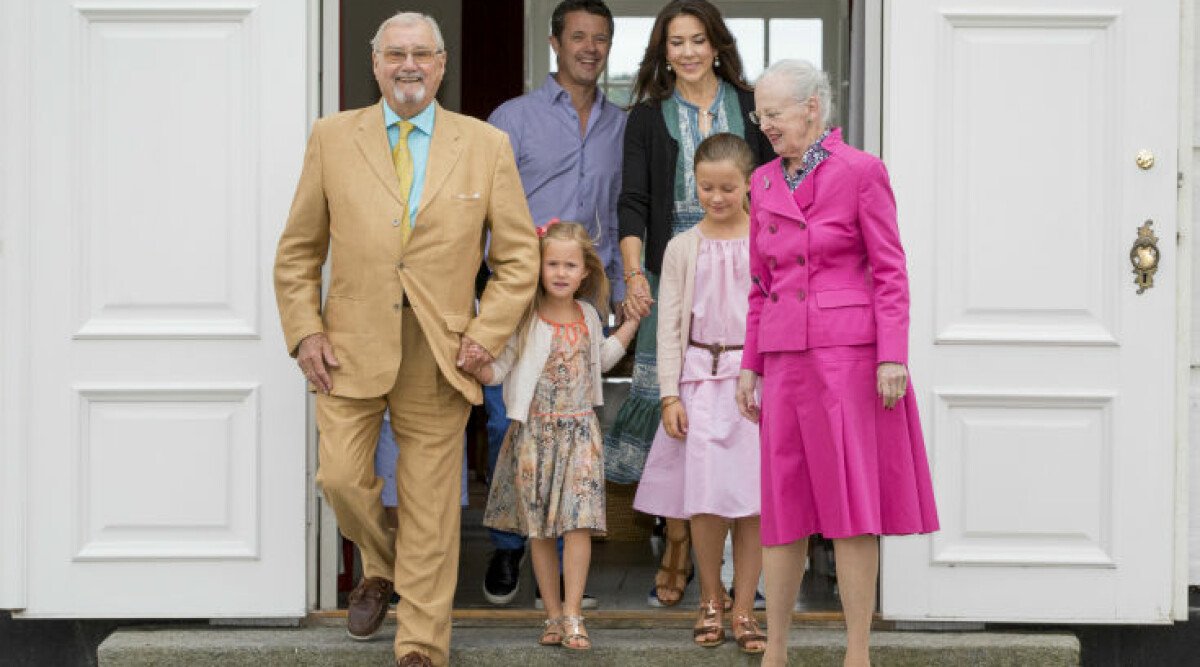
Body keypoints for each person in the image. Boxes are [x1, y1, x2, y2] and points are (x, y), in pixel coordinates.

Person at [272, 11, 539, 667]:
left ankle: (420, 642)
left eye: (422, 53)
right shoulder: (332, 137)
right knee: (340, 477)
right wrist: (305, 331)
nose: (409, 65)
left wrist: (486, 333)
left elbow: (517, 259)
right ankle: (382, 563)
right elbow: (298, 251)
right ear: (376, 63)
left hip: (443, 350)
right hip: (347, 346)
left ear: (442, 65)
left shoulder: (485, 145)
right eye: (396, 53)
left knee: (430, 504)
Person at [734, 59, 940, 667]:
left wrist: (892, 356)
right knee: (783, 507)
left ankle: (857, 653)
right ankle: (775, 651)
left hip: (847, 359)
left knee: (851, 507)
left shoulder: (861, 171)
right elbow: (760, 285)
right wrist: (750, 364)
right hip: (784, 360)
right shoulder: (761, 181)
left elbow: (890, 271)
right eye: (759, 115)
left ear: (812, 108)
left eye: (774, 113)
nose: (765, 125)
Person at [607, 0, 773, 609]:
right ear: (663, 51)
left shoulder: (751, 105)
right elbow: (632, 201)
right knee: (675, 414)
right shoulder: (648, 118)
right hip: (673, 267)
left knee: (743, 420)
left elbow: (781, 180)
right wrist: (634, 276)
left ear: (717, 44)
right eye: (675, 42)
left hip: (744, 266)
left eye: (698, 40)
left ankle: (740, 575)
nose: (688, 52)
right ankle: (677, 545)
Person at [481, 0, 624, 608]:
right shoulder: (511, 119)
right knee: (509, 422)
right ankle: (508, 545)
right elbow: (483, 207)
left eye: (601, 38)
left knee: (574, 426)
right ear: (555, 42)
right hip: (520, 294)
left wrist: (622, 297)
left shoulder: (623, 126)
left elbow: (623, 212)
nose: (590, 48)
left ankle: (565, 578)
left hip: (590, 294)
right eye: (579, 37)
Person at [470, 221, 640, 650]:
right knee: (541, 532)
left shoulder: (588, 316)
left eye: (570, 265)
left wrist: (631, 324)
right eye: (553, 264)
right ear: (538, 267)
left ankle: (574, 614)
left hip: (580, 433)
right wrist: (477, 367)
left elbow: (603, 360)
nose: (561, 273)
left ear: (585, 272)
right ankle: (552, 616)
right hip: (534, 436)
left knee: (578, 526)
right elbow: (500, 369)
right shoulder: (525, 317)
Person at [633, 133, 764, 652]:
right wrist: (670, 395)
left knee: (753, 502)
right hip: (700, 382)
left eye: (728, 187)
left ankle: (746, 606)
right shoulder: (682, 246)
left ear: (749, 183)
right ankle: (710, 598)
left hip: (755, 381)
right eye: (706, 187)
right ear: (694, 183)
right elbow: (668, 326)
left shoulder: (766, 239)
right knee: (706, 500)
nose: (716, 197)